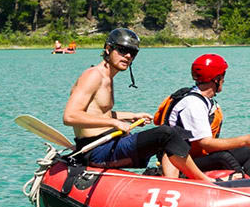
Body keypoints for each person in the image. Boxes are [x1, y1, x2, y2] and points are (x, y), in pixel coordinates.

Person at [60, 27, 209, 180]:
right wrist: (115, 122)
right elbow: (70, 116)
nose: (128, 56)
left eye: (133, 52)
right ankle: (204, 181)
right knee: (166, 134)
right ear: (107, 49)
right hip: (96, 150)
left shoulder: (107, 77)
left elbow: (97, 113)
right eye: (122, 50)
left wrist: (132, 116)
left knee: (177, 132)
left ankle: (172, 182)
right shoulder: (93, 76)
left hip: (110, 143)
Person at [155, 54, 250, 178]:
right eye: (223, 76)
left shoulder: (203, 99)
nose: (224, 80)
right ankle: (245, 187)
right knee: (223, 157)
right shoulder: (193, 104)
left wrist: (246, 144)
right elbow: (206, 144)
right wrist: (245, 140)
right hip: (181, 162)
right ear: (216, 79)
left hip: (196, 157)